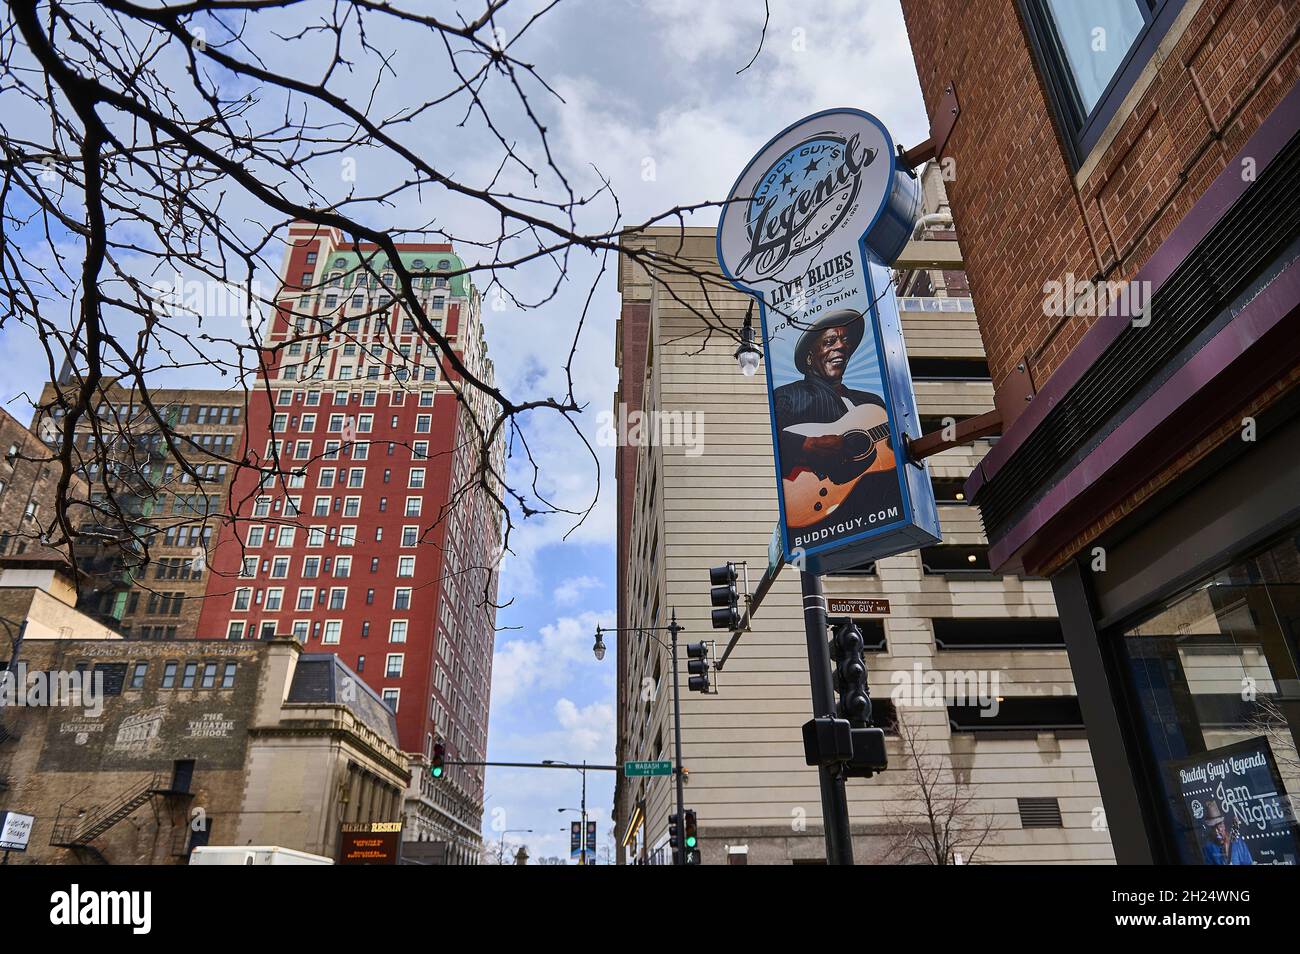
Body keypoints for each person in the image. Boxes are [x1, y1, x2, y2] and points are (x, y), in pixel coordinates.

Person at [1200, 800, 1253, 865]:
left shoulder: (1238, 843)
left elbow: (1248, 863)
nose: (1217, 832)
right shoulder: (1208, 848)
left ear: (1223, 825)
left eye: (1219, 827)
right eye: (1213, 828)